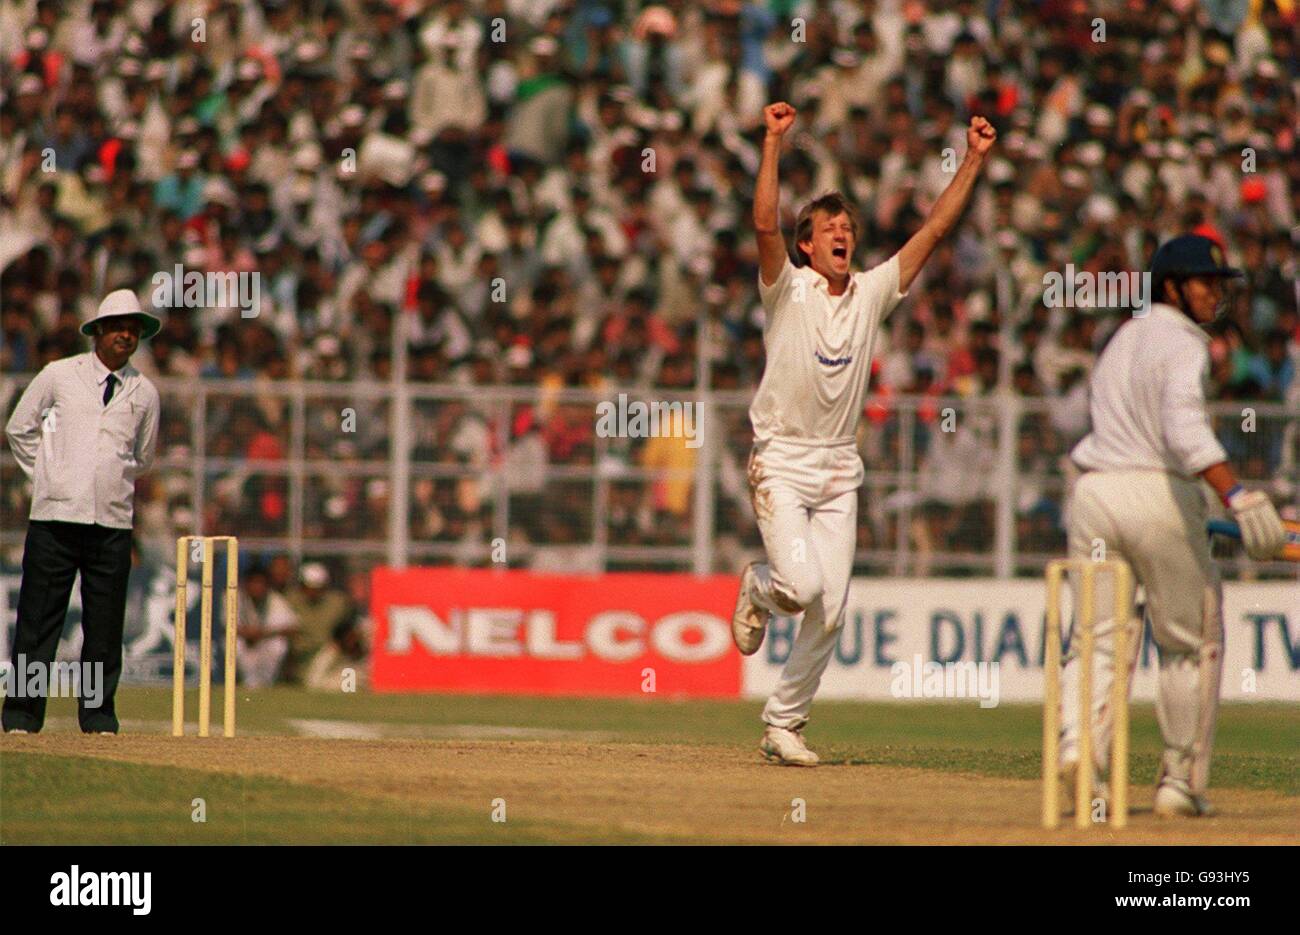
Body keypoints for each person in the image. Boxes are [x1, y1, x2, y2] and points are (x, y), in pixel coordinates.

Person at [730, 102, 995, 765]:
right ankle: (757, 586)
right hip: (783, 460)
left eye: (849, 226)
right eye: (830, 228)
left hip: (839, 468)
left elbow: (933, 231)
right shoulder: (785, 289)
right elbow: (763, 220)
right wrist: (771, 143)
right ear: (807, 244)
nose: (844, 234)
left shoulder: (872, 291)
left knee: (833, 608)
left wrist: (974, 160)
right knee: (798, 586)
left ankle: (783, 723)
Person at [1060, 233, 1286, 817]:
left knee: (1098, 641)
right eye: (1206, 283)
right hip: (1158, 491)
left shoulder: (1120, 339)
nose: (1217, 295)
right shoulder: (1185, 344)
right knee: (1191, 643)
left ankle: (1078, 751)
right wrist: (1235, 495)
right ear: (1172, 288)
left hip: (1093, 492)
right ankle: (1179, 782)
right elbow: (1184, 431)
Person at [2, 290, 161, 734]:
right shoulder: (59, 375)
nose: (127, 335)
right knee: (38, 622)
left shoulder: (145, 392)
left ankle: (96, 716)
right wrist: (50, 476)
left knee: (104, 627)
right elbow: (20, 428)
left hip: (111, 524)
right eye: (118, 327)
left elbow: (143, 458)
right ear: (99, 332)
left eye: (134, 329)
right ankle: (21, 715)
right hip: (54, 519)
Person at [236, 565, 299, 688]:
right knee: (235, 643)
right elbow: (225, 626)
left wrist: (262, 634)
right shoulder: (234, 598)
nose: (257, 587)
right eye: (253, 583)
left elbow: (292, 627)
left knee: (278, 644)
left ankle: (266, 685)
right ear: (245, 584)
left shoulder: (275, 600)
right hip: (244, 642)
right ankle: (247, 684)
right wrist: (248, 633)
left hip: (264, 642)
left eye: (260, 583)